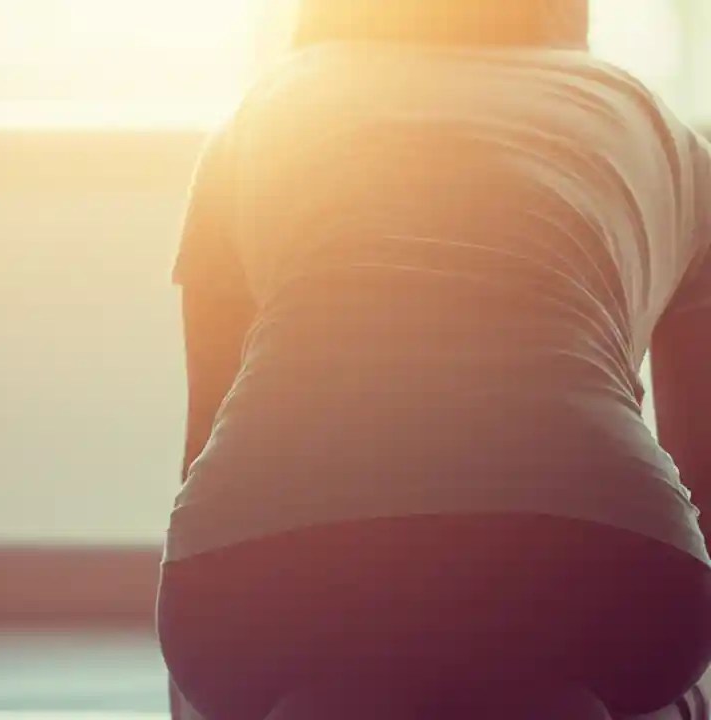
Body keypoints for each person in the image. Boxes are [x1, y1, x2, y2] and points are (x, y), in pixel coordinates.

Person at [156, 1, 711, 718]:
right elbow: (702, 475)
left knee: (294, 676)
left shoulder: (259, 117)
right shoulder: (662, 130)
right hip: (606, 576)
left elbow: (204, 445)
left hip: (264, 582)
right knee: (621, 680)